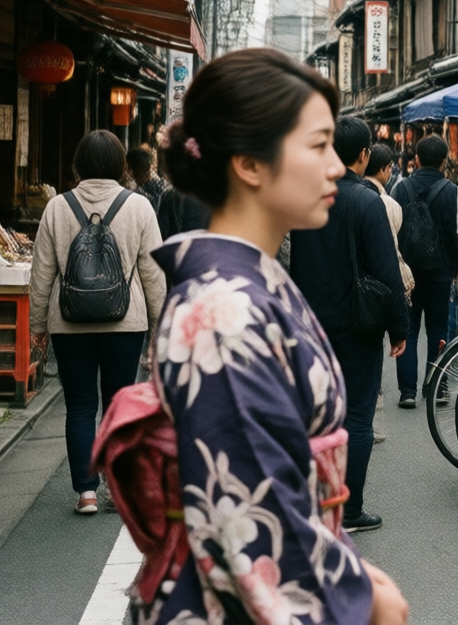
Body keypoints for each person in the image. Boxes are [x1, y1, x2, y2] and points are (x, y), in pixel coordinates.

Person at [141, 48, 408, 625]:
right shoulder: (224, 312)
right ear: (250, 164)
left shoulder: (248, 285)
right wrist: (357, 595)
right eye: (317, 147)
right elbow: (244, 517)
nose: (336, 166)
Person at [29, 130, 167, 515]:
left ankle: (86, 492)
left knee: (79, 405)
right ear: (121, 166)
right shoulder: (138, 206)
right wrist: (158, 325)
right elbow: (154, 273)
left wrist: (37, 326)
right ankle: (117, 490)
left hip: (69, 324)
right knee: (119, 406)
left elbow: (41, 274)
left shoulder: (58, 207)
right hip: (126, 324)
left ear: (79, 165)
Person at [290, 115, 409, 532]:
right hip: (359, 324)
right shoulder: (366, 200)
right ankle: (348, 509)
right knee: (356, 416)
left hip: (308, 323)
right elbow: (386, 270)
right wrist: (399, 328)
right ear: (364, 155)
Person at [394, 135, 458, 409]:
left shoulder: (400, 189)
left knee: (410, 330)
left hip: (408, 276)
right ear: (443, 162)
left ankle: (407, 392)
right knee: (438, 329)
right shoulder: (454, 192)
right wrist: (456, 270)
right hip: (440, 273)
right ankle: (436, 388)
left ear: (415, 160)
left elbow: (392, 230)